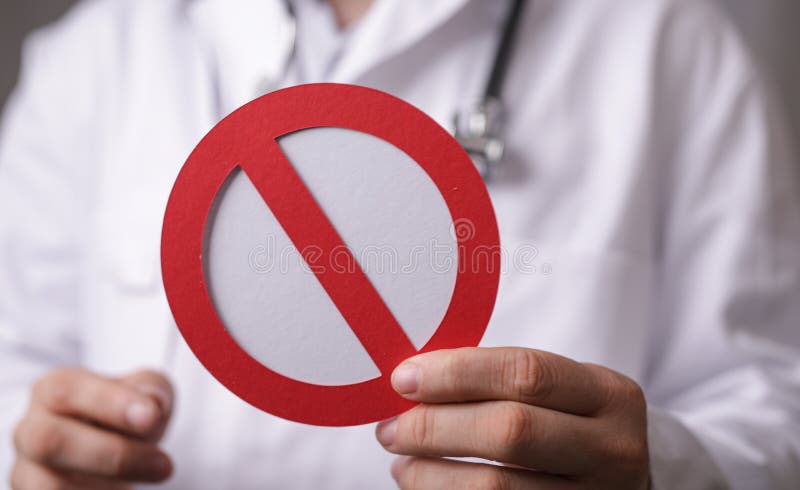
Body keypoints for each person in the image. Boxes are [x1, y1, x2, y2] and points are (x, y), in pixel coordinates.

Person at [1, 0, 799, 488]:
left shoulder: (671, 47)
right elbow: (15, 365)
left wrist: (660, 466)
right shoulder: (93, 58)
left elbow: (773, 407)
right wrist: (28, 452)